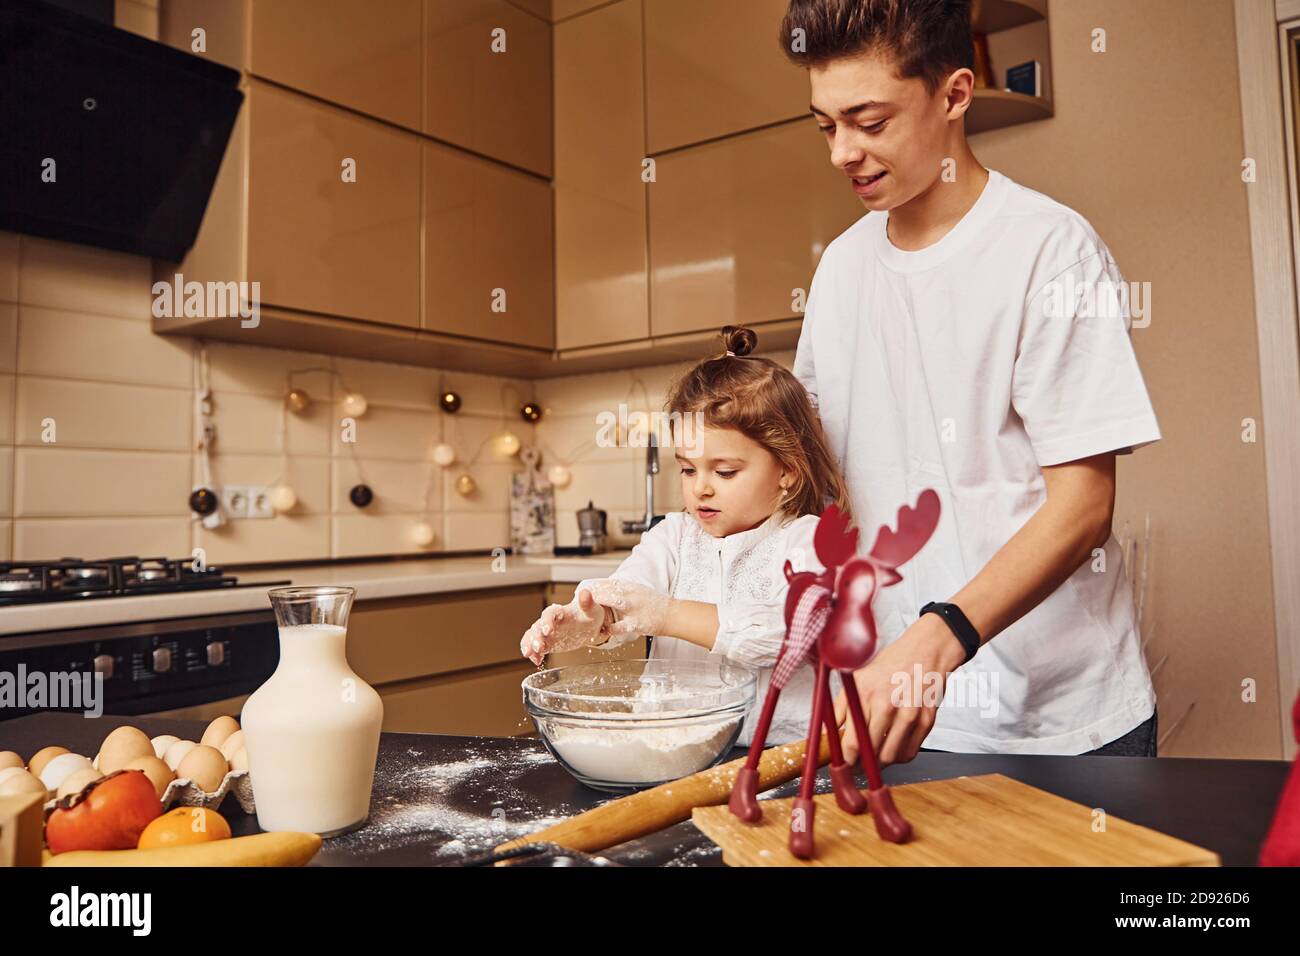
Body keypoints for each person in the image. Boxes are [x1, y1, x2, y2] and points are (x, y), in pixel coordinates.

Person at [784, 0, 1162, 762]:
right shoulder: (841, 271)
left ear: (955, 94)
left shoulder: (1050, 251)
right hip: (893, 710)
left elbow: (1083, 506)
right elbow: (816, 477)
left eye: (869, 121)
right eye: (827, 126)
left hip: (1058, 722)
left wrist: (939, 636)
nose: (841, 153)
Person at [519, 325, 850, 746]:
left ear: (786, 470)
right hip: (675, 749)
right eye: (688, 469)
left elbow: (788, 632)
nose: (701, 488)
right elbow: (629, 592)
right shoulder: (674, 537)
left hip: (780, 759)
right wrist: (590, 619)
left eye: (725, 471)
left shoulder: (808, 542)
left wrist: (667, 615)